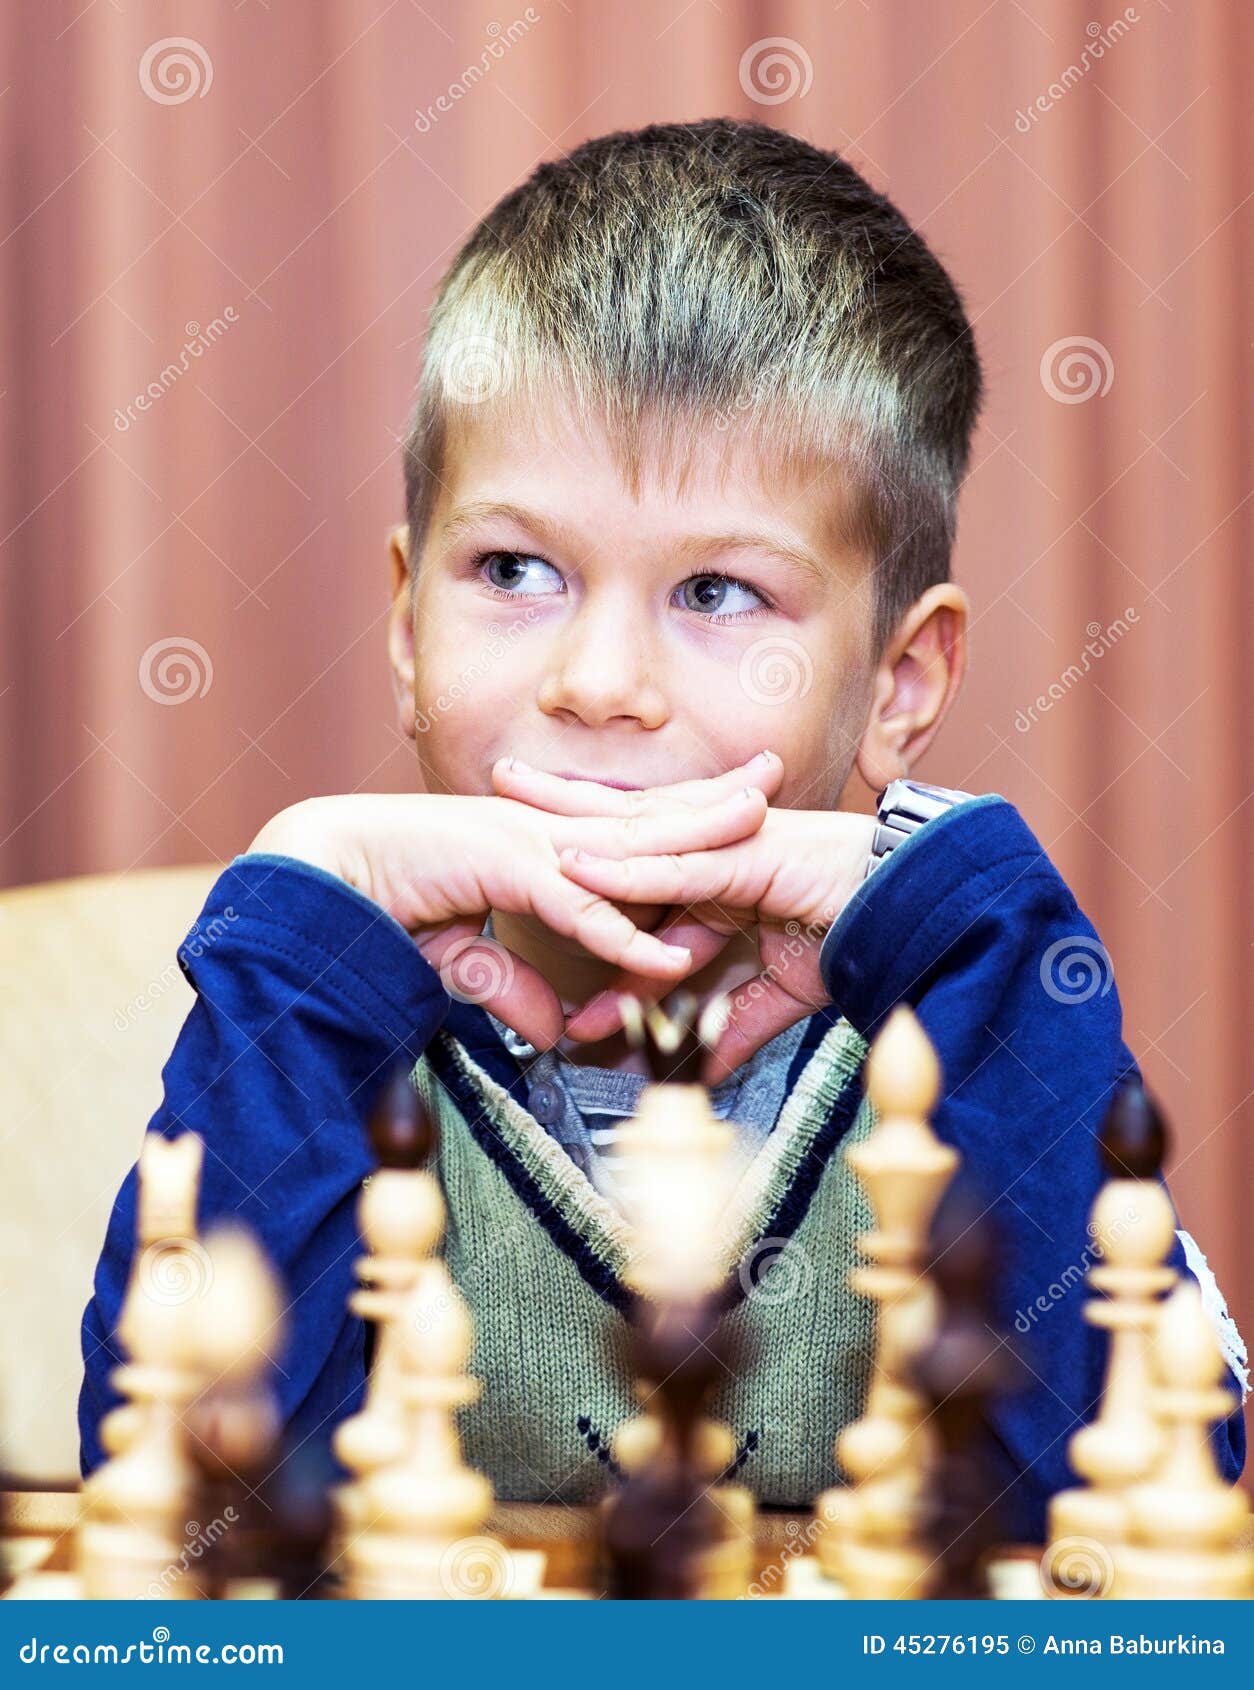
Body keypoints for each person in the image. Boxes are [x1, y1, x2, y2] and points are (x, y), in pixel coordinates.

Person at [79, 118, 1246, 1543]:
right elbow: (192, 1535)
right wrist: (311, 937)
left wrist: (964, 931)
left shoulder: (971, 1014)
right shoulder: (330, 1023)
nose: (598, 682)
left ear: (897, 685)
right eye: (514, 569)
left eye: (717, 594)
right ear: (405, 626)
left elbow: (1123, 1546)